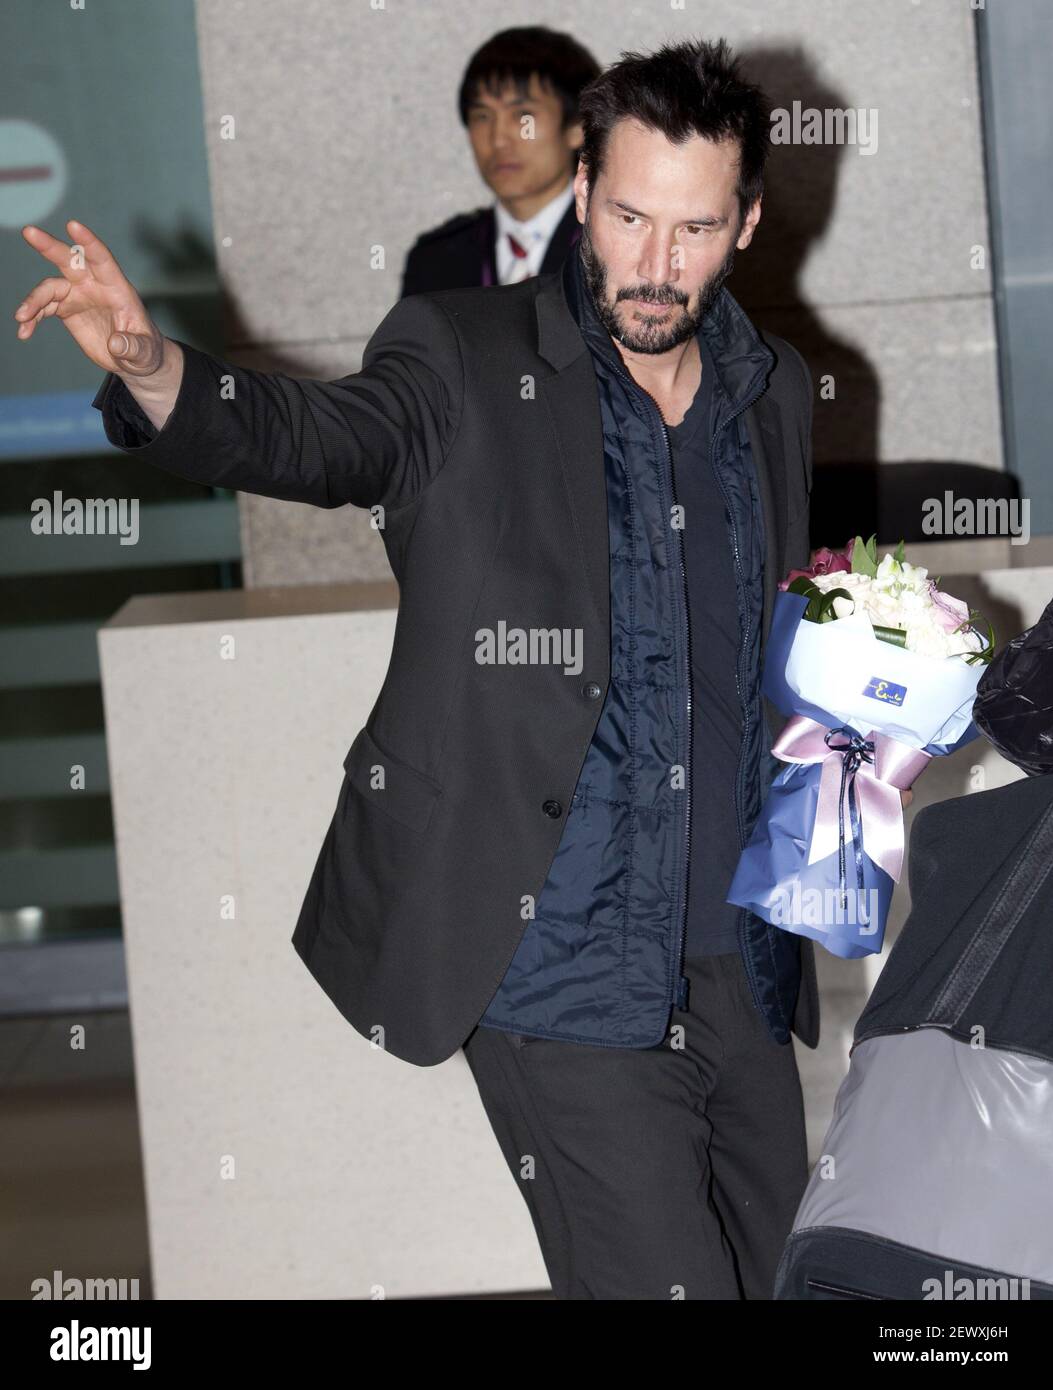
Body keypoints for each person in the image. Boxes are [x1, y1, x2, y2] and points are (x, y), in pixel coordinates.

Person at [14, 37, 902, 1300]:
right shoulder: (465, 358)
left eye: (694, 230)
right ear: (584, 191)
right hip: (555, 955)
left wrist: (868, 701)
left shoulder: (769, 393)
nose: (654, 264)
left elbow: (758, 644)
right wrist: (158, 370)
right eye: (630, 215)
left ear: (748, 221)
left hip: (734, 959)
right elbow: (319, 438)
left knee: (779, 1281)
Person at [399, 26, 599, 296]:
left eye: (522, 115)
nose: (498, 140)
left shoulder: (609, 247)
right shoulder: (436, 261)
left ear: (577, 128)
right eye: (482, 116)